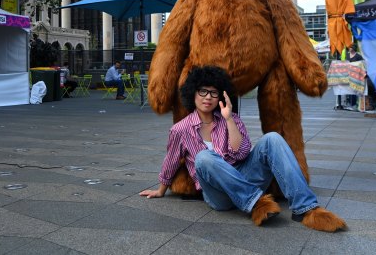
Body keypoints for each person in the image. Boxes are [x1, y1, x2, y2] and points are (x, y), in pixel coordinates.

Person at [139, 65, 346, 232]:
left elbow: (242, 153)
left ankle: (305, 208)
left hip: (243, 177)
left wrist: (228, 119)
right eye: (203, 91)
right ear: (193, 94)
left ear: (221, 96)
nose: (208, 97)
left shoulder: (232, 119)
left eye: (213, 92)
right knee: (204, 157)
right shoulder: (180, 129)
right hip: (218, 195)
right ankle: (256, 203)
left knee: (272, 138)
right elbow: (172, 160)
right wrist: (160, 190)